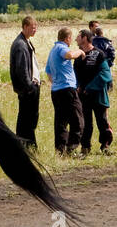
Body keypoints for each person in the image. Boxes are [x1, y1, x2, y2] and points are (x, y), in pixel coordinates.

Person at [45, 26, 85, 155]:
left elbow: (48, 73)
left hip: (56, 90)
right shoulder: (62, 48)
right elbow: (69, 55)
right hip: (67, 89)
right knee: (78, 120)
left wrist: (57, 82)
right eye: (71, 38)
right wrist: (80, 52)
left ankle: (60, 150)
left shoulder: (52, 51)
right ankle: (71, 149)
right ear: (67, 38)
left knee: (61, 121)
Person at [75, 29, 114, 153]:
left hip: (97, 95)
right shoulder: (77, 56)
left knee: (102, 121)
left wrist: (90, 87)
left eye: (78, 37)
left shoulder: (99, 54)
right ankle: (85, 147)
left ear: (85, 38)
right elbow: (75, 74)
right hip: (83, 96)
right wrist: (78, 85)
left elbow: (105, 73)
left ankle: (105, 146)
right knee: (85, 123)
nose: (76, 39)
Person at [9, 15, 41, 148]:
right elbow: (21, 70)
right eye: (33, 27)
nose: (35, 30)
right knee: (27, 119)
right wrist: (30, 87)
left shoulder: (25, 41)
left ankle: (26, 145)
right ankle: (28, 146)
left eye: (36, 27)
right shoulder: (21, 45)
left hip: (29, 87)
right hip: (27, 89)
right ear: (25, 27)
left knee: (28, 118)